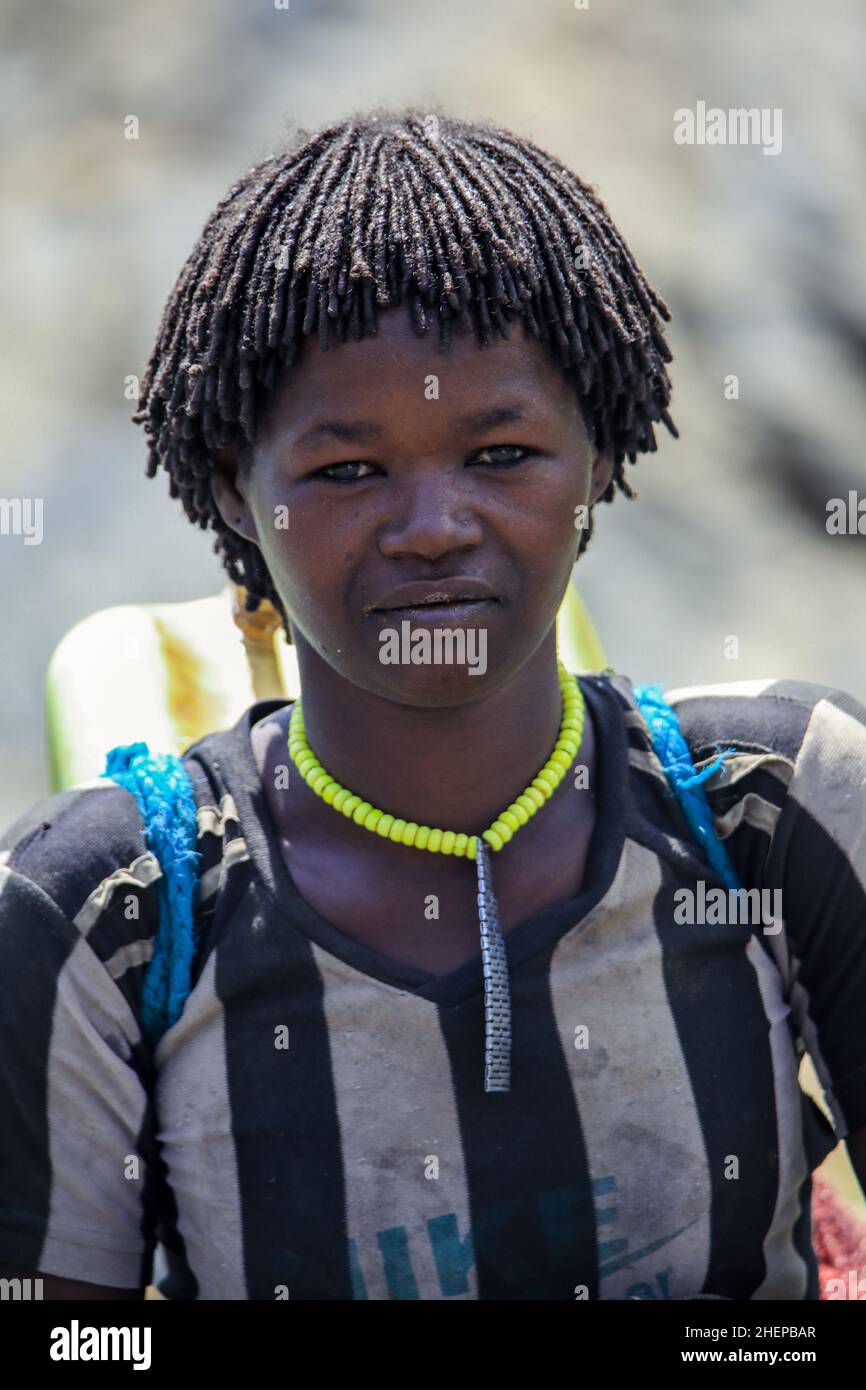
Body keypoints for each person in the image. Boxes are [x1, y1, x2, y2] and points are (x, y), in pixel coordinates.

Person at [1, 107, 864, 1302]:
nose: (432, 528)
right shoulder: (96, 916)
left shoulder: (782, 804)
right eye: (346, 471)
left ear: (601, 452)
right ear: (234, 493)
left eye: (501, 453)